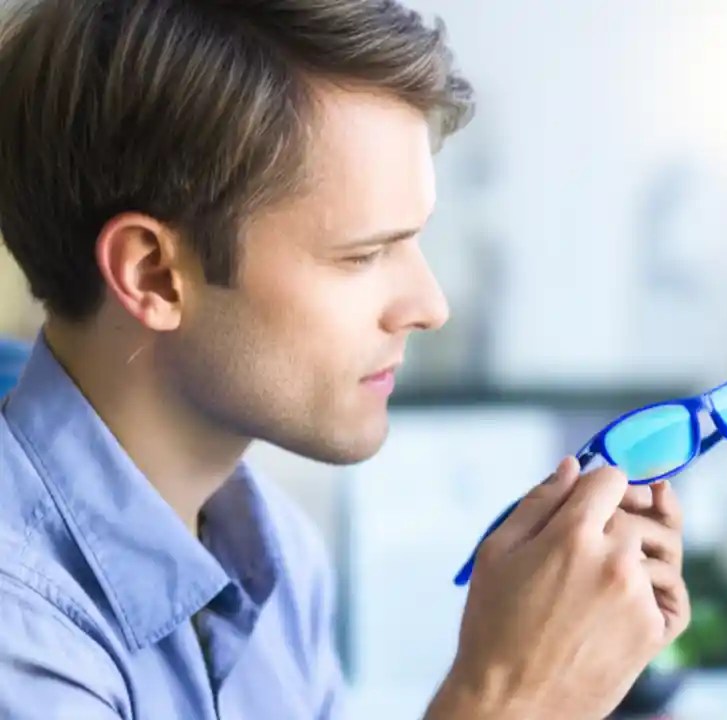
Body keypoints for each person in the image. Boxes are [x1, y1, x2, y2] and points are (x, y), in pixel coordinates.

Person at [0, 1, 690, 719]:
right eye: (362, 255)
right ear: (152, 276)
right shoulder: (22, 635)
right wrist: (512, 697)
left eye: (412, 240)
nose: (429, 305)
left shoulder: (276, 555)